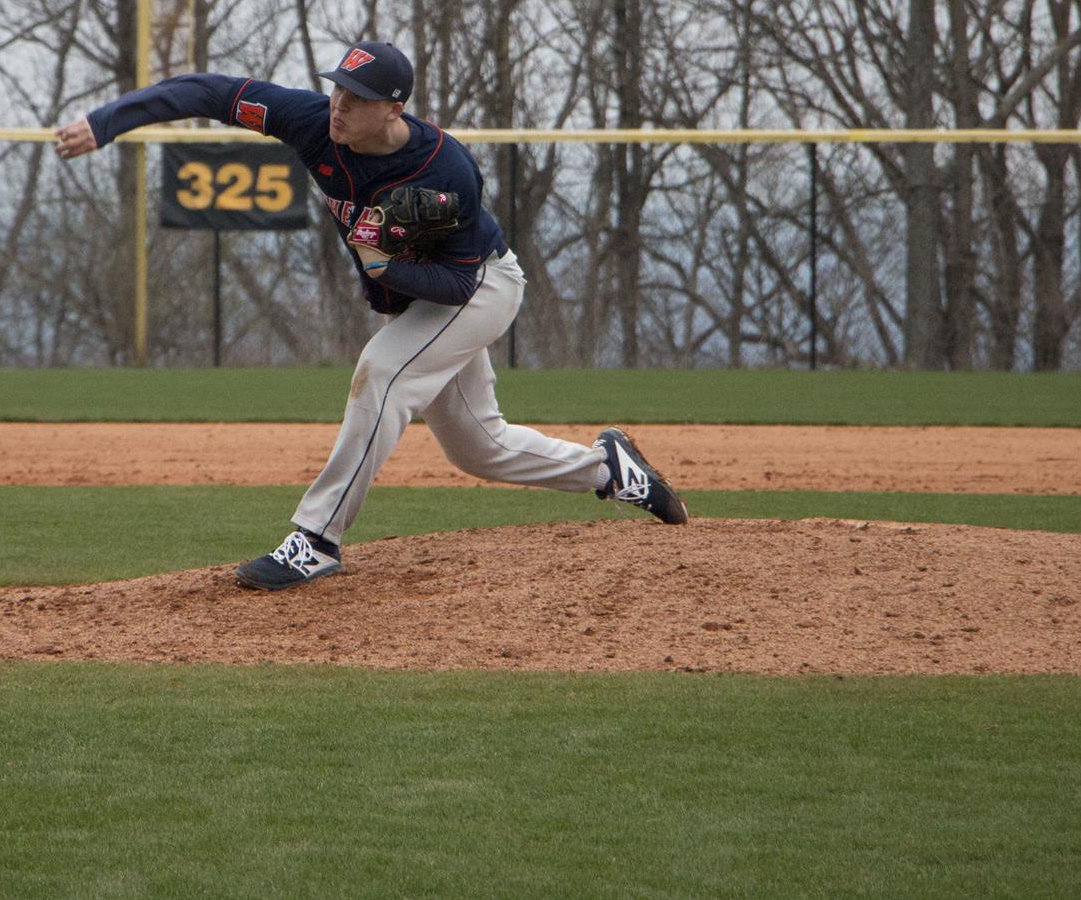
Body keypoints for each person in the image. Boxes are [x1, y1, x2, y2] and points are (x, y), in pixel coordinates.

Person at [53, 41, 688, 591]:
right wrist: (109, 121)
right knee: (480, 448)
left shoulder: (446, 171)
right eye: (337, 90)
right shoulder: (309, 123)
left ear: (392, 108)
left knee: (381, 372)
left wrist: (384, 266)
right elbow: (205, 92)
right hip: (420, 297)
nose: (338, 105)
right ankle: (611, 470)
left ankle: (315, 541)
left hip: (479, 288)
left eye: (355, 98)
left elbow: (459, 281)